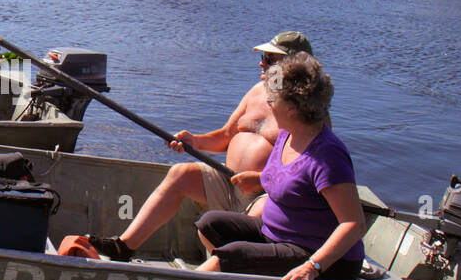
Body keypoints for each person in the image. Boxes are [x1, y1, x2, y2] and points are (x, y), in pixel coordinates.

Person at [86, 31, 315, 261]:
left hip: (265, 193)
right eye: (264, 56)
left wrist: (259, 179)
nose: (261, 62)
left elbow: (305, 170)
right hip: (228, 181)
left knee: (260, 217)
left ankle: (231, 270)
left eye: (270, 58)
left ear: (294, 66)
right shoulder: (257, 91)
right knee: (181, 173)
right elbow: (226, 135)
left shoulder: (307, 111)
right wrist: (193, 141)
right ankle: (124, 246)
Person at [194, 51, 365, 280]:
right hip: (274, 235)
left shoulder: (328, 155)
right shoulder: (288, 133)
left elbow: (353, 223)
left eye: (273, 101)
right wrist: (260, 179)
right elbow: (295, 179)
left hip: (319, 256)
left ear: (293, 108)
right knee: (211, 225)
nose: (268, 105)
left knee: (229, 257)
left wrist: (311, 267)